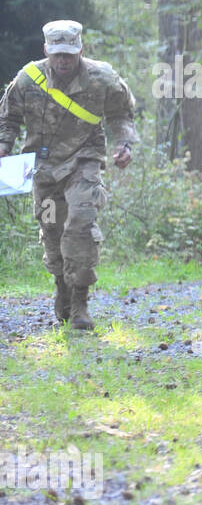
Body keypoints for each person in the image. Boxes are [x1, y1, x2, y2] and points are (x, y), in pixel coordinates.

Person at [0, 20, 138, 330]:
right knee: (51, 230)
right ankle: (62, 287)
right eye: (58, 55)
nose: (63, 62)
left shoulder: (102, 78)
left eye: (70, 55)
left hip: (84, 163)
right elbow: (7, 118)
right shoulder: (28, 79)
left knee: (80, 222)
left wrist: (125, 145)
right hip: (44, 171)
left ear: (80, 50)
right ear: (46, 50)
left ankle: (80, 302)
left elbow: (122, 114)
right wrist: (4, 146)